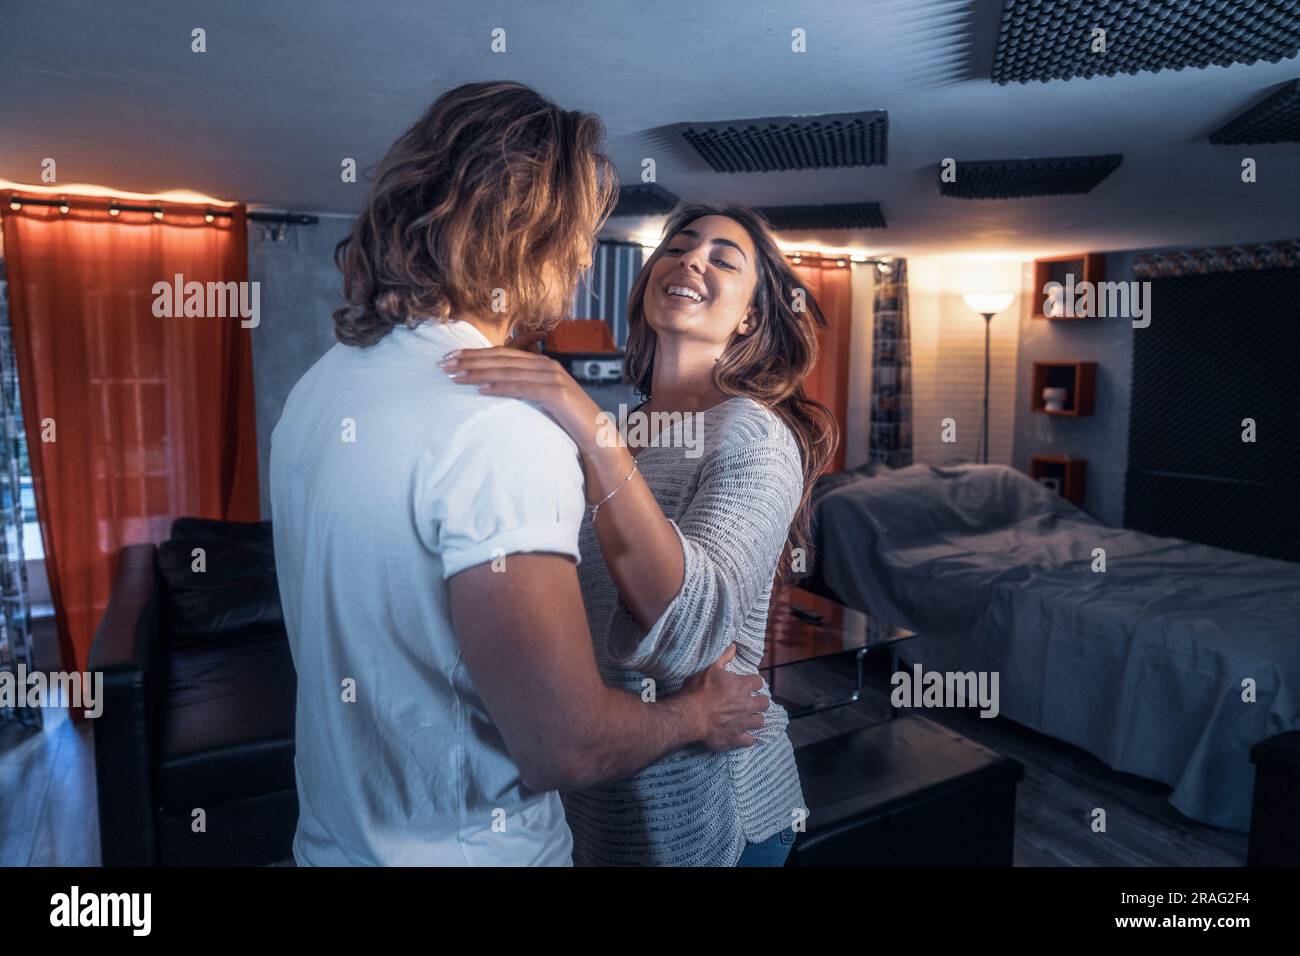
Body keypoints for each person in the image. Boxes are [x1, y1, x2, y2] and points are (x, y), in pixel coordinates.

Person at [270, 84, 767, 867]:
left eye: (721, 259)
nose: (581, 258)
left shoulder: (322, 387)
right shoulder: (499, 425)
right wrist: (692, 719)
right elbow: (565, 746)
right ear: (538, 237)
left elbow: (698, 618)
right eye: (579, 234)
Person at [443, 202, 837, 865]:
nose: (691, 261)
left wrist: (582, 418)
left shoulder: (753, 432)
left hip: (715, 804)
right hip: (607, 784)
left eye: (722, 259)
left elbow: (690, 633)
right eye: (679, 247)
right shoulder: (622, 433)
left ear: (749, 318)